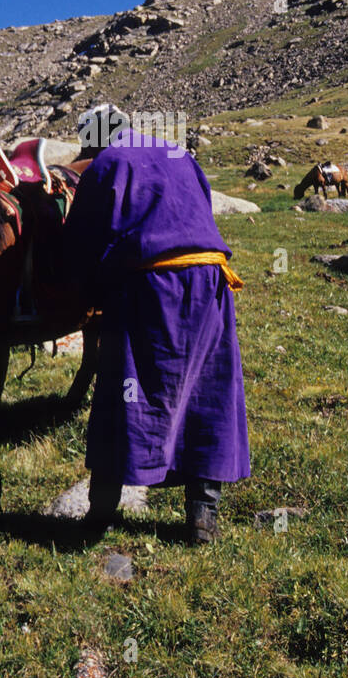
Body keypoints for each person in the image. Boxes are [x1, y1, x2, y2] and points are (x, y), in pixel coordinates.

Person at [61, 104, 250, 544]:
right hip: (210, 280)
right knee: (208, 391)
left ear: (94, 140)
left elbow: (80, 243)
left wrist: (78, 296)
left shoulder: (106, 163)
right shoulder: (178, 155)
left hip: (151, 284)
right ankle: (203, 518)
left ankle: (100, 514)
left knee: (122, 387)